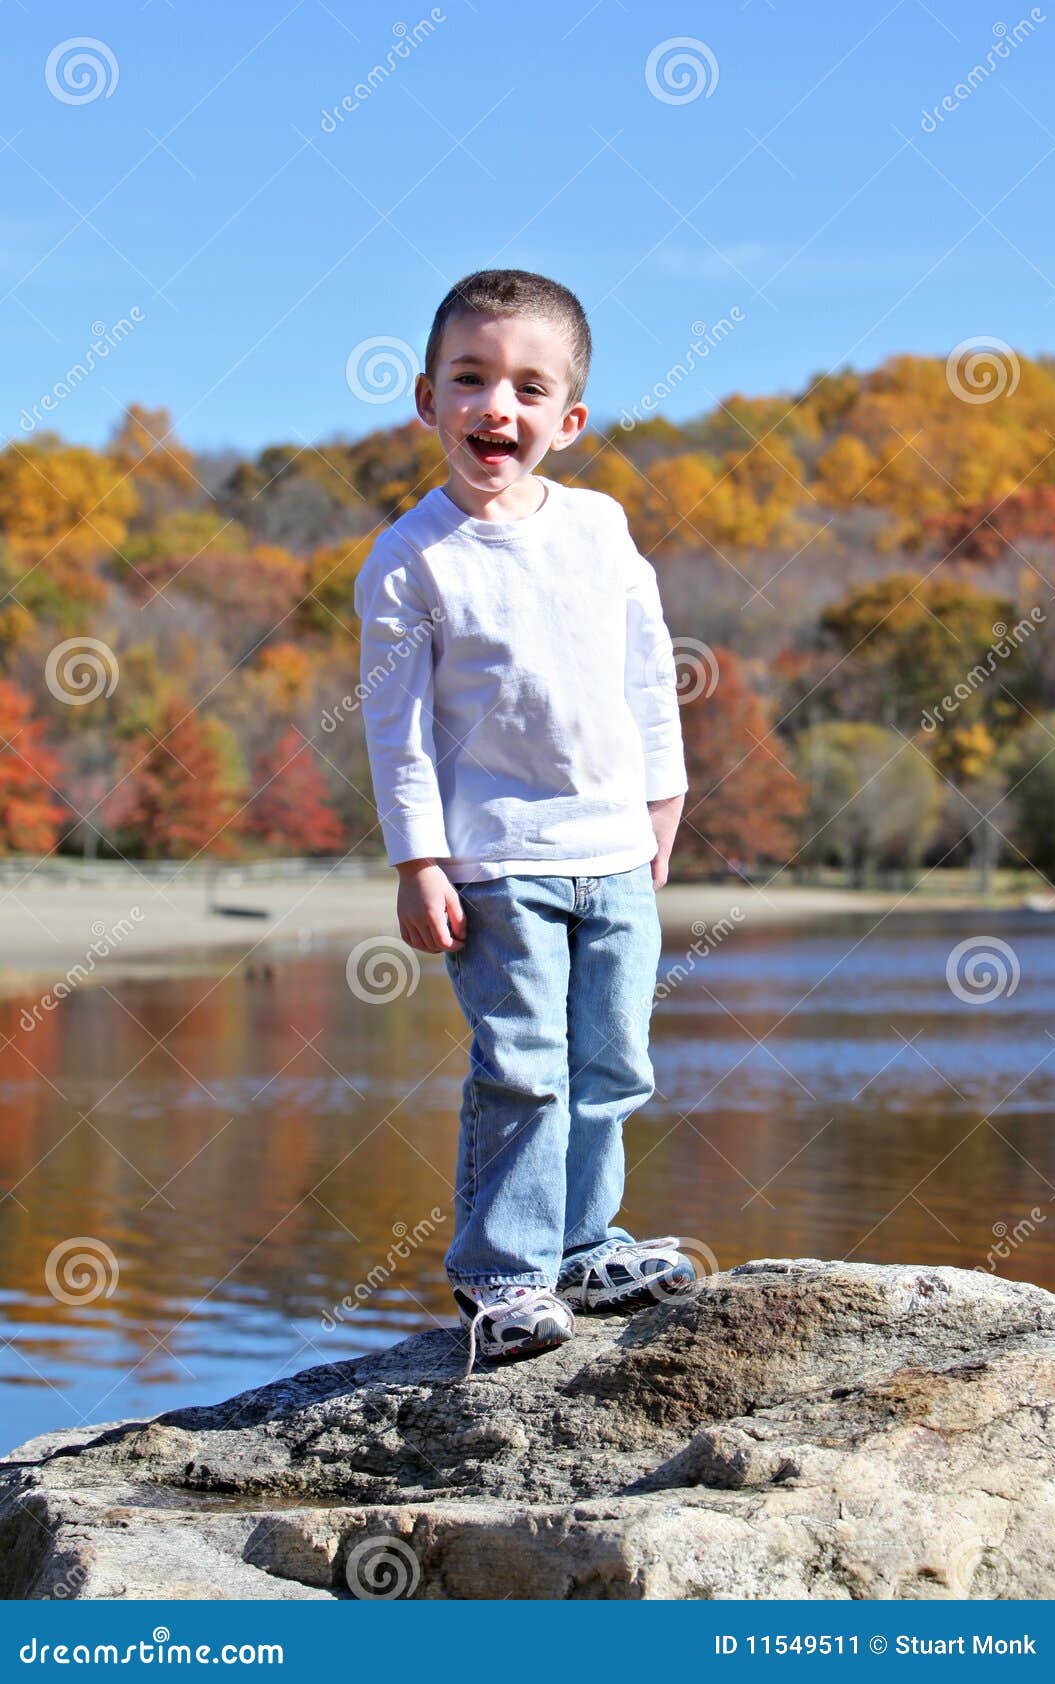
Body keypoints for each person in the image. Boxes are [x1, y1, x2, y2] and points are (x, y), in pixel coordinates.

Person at [352, 268, 696, 1377]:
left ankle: (584, 1243)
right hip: (497, 860)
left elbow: (648, 674)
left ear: (568, 418)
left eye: (527, 387)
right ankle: (503, 1273)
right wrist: (419, 860)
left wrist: (664, 799)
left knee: (614, 1063)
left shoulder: (600, 528)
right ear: (426, 398)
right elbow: (397, 732)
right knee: (523, 1066)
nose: (497, 405)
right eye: (471, 379)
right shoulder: (412, 560)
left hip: (615, 852)